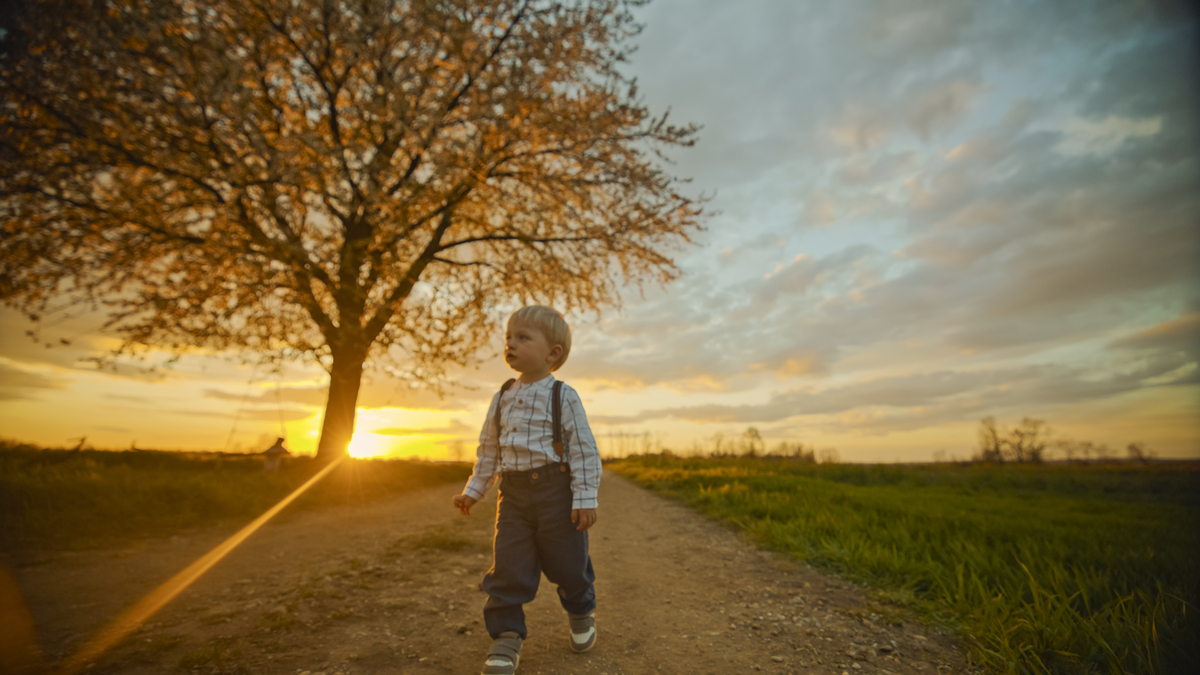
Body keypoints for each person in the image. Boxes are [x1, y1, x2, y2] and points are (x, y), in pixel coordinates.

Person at [452, 306, 602, 675]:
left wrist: (584, 498)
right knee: (509, 566)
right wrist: (475, 489)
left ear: (553, 353)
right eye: (508, 338)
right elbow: (490, 448)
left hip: (556, 493)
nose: (511, 344)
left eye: (522, 338)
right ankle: (506, 636)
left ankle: (581, 611)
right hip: (513, 497)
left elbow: (583, 449)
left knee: (568, 566)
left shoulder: (562, 395)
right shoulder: (502, 395)